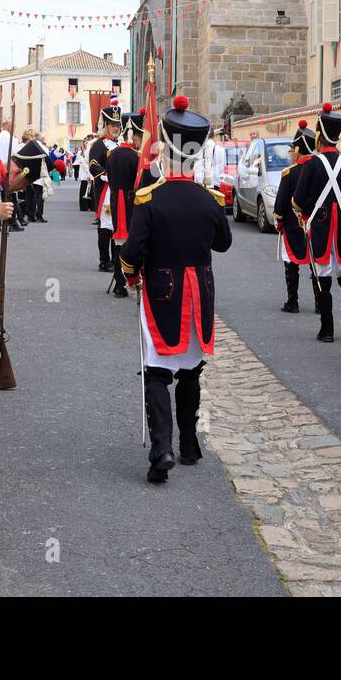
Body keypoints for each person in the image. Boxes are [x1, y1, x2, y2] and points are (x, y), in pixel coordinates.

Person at [120, 95, 232, 484]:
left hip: (162, 292)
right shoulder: (209, 199)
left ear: (166, 150)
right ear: (196, 155)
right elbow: (224, 243)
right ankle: (188, 444)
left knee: (157, 371)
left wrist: (130, 273)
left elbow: (133, 252)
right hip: (198, 293)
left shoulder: (150, 199)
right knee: (190, 371)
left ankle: (161, 450)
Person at [292, 103, 341, 344]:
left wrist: (306, 212)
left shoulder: (311, 164)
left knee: (323, 277)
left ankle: (327, 328)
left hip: (320, 228)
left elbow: (298, 201)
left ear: (319, 136)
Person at [273, 121, 316, 314]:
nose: (290, 153)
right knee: (317, 265)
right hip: (316, 225)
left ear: (298, 150)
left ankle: (293, 301)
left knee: (291, 262)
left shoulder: (289, 173)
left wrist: (279, 221)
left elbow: (281, 203)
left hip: (293, 225)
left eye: (292, 150)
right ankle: (319, 303)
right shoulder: (320, 169)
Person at [105, 109, 147, 298]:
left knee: (118, 242)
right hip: (130, 203)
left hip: (115, 201)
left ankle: (119, 283)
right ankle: (130, 277)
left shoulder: (112, 154)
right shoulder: (135, 157)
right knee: (131, 241)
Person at [89, 104, 121, 270]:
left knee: (117, 225)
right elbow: (93, 165)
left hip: (119, 191)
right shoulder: (99, 145)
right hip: (105, 191)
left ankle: (117, 259)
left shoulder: (120, 146)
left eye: (117, 125)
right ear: (106, 126)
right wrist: (108, 175)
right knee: (106, 226)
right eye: (112, 125)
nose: (116, 128)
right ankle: (104, 260)